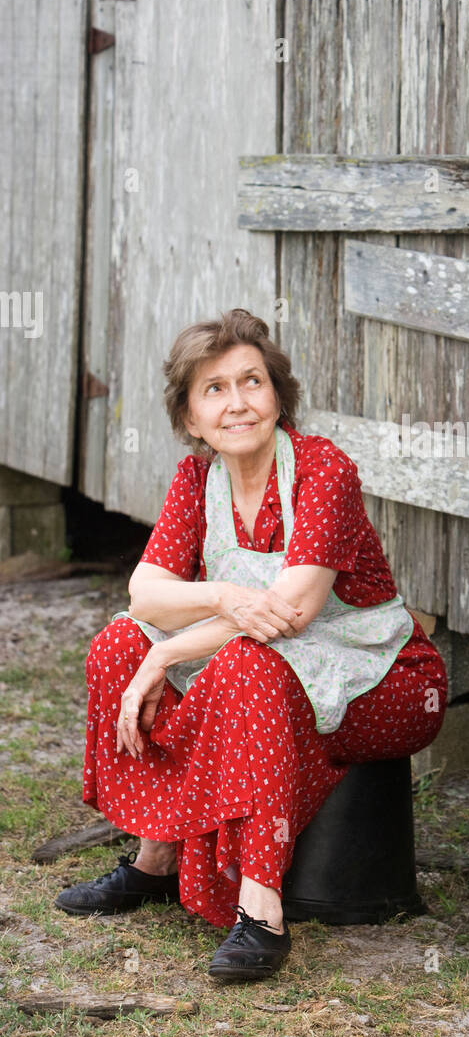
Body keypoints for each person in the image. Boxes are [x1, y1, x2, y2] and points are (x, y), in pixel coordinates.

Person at [57, 309, 448, 981]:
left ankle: (261, 909)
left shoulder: (322, 470)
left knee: (238, 664)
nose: (237, 402)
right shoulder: (194, 482)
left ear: (278, 395)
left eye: (251, 382)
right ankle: (158, 859)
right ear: (189, 416)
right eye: (214, 389)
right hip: (277, 660)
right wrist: (221, 598)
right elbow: (145, 594)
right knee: (119, 645)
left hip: (381, 678)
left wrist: (169, 654)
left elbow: (293, 611)